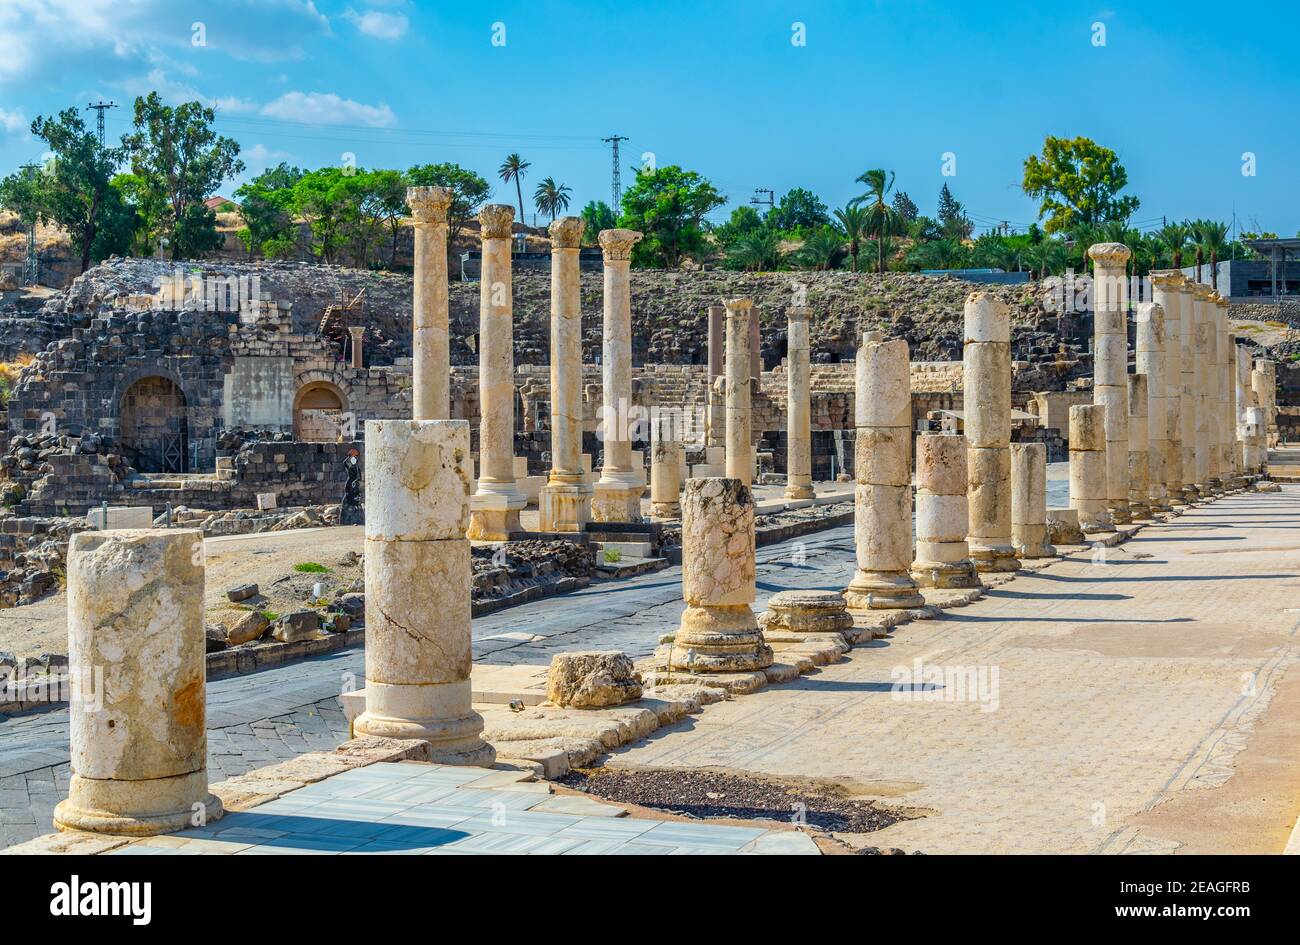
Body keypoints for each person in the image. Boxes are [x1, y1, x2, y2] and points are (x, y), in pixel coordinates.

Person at [340, 447, 363, 525]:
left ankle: (356, 518)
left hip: (354, 485)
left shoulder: (357, 468)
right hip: (349, 484)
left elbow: (359, 478)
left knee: (355, 499)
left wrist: (356, 482)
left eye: (354, 459)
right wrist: (349, 456)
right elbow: (344, 463)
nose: (353, 460)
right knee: (348, 496)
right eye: (352, 459)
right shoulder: (350, 467)